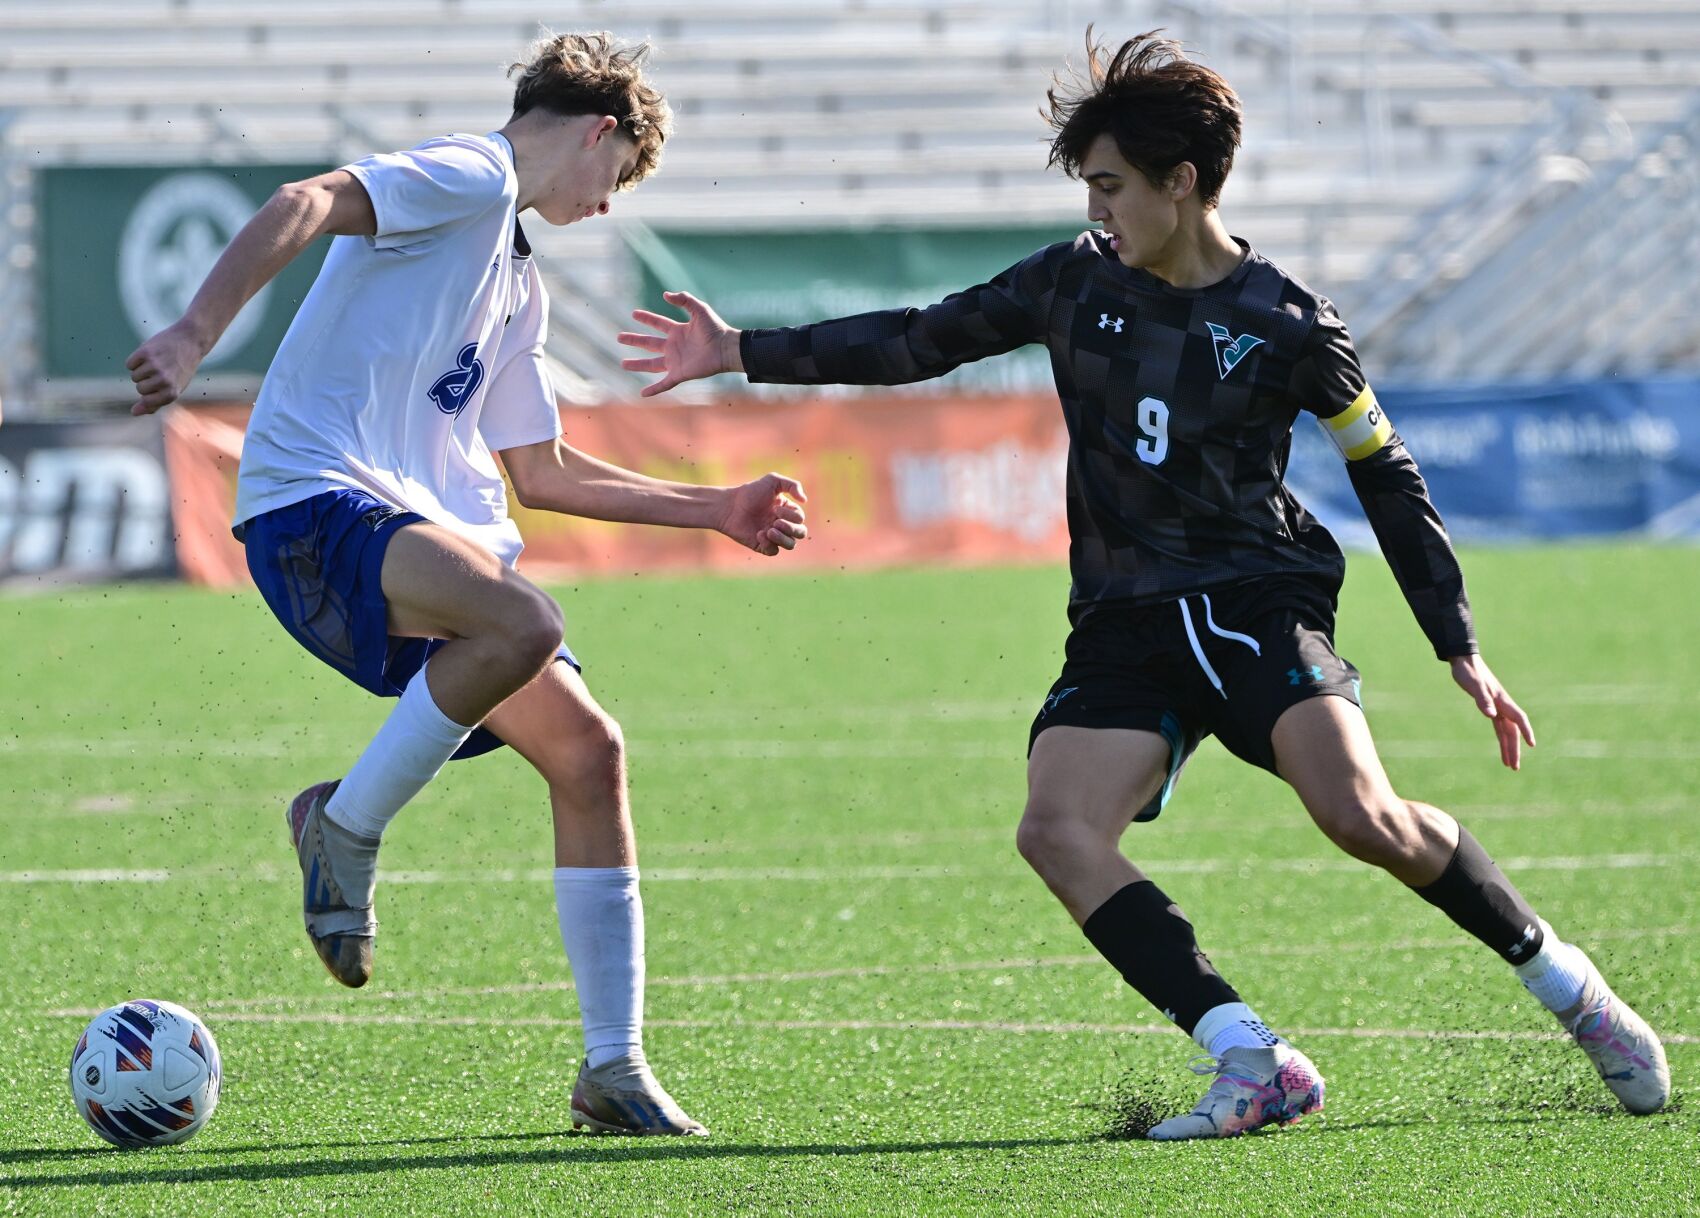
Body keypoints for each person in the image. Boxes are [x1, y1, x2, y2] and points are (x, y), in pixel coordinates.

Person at [616, 30, 1669, 1139]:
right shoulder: (1073, 282)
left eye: (1112, 185)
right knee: (1056, 829)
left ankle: (1566, 986)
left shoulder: (1287, 325)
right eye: (1089, 186)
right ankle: (1250, 1057)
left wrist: (1455, 642)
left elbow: (1386, 477)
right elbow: (922, 341)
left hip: (1253, 599)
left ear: (1182, 183)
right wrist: (740, 350)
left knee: (1360, 816)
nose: (1097, 207)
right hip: (1121, 614)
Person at [125, 31, 809, 1137]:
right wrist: (198, 331)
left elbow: (538, 470)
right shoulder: (469, 173)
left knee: (590, 754)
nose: (602, 208)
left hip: (417, 530)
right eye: (617, 180)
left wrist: (713, 506)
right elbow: (304, 200)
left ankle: (611, 1070)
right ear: (601, 132)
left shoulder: (513, 276)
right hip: (316, 502)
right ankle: (341, 829)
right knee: (525, 621)